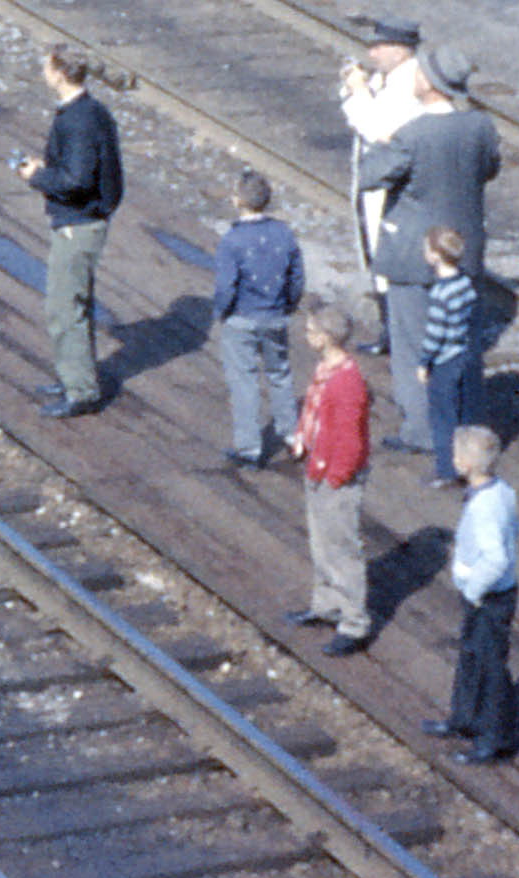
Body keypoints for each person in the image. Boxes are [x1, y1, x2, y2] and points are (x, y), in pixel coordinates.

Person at [363, 44, 502, 406]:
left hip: (414, 253)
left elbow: (370, 176)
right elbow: (489, 169)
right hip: (463, 248)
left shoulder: (412, 135)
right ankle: (465, 417)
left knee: (412, 344)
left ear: (427, 82)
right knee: (462, 343)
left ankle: (420, 430)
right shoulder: (481, 127)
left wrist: (382, 143)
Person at [14, 44, 127, 417]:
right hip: (86, 221)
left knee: (64, 308)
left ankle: (81, 391)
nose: (43, 71)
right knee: (73, 303)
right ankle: (72, 375)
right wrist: (50, 164)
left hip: (77, 226)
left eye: (46, 66)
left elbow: (77, 181)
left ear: (60, 74)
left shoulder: (75, 120)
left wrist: (38, 176)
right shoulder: (92, 111)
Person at [290, 309, 377, 655]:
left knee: (342, 549)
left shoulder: (347, 383)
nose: (306, 335)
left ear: (326, 337)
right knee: (321, 542)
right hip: (318, 468)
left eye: (311, 331)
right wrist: (302, 440)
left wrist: (337, 476)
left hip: (335, 476)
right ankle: (326, 604)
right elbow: (313, 413)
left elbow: (351, 440)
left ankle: (354, 623)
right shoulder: (326, 371)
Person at [338, 18, 425, 356]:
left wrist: (359, 92)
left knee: (390, 262)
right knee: (377, 258)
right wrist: (355, 87)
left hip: (394, 192)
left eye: (379, 46)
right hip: (375, 185)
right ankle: (392, 334)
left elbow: (376, 129)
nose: (371, 52)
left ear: (401, 49)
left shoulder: (409, 85)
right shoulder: (386, 77)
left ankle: (402, 340)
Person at [211, 170, 305, 471]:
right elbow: (297, 277)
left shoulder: (232, 240)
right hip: (275, 315)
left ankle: (250, 449)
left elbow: (226, 286)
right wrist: (288, 305)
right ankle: (292, 436)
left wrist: (221, 312)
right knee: (280, 374)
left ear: (238, 200)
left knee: (245, 382)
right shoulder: (284, 233)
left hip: (242, 318)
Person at [437, 427, 519, 764]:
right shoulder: (502, 491)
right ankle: (463, 718)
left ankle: (492, 737)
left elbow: (496, 557)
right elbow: (514, 530)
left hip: (488, 597)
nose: (453, 459)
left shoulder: (485, 505)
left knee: (488, 666)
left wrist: (473, 589)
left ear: (469, 463)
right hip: (489, 594)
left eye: (457, 454)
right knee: (471, 656)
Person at [416, 224, 483, 484]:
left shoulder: (440, 293)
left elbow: (435, 336)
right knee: (465, 415)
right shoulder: (465, 283)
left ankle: (446, 471)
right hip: (463, 355)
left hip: (444, 361)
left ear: (435, 255)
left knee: (443, 418)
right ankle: (472, 463)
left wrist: (424, 362)